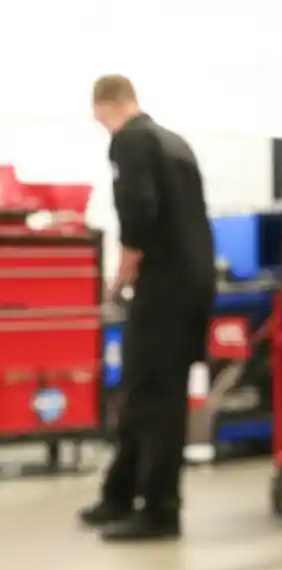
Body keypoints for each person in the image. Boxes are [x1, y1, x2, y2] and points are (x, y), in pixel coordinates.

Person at [78, 75, 214, 542]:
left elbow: (138, 214)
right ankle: (119, 494)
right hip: (193, 285)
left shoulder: (130, 140)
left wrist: (118, 282)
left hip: (165, 285)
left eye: (100, 119)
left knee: (153, 399)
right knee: (147, 392)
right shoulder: (175, 143)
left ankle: (159, 511)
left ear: (107, 106)